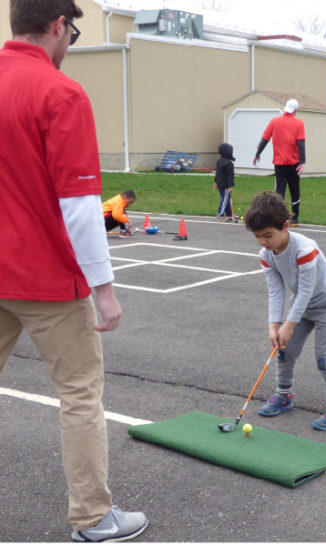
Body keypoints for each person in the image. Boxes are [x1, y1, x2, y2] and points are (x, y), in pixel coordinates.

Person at [0, 0, 148, 541]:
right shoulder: (60, 92)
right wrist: (104, 291)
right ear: (59, 25)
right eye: (73, 33)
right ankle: (92, 517)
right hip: (47, 281)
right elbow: (82, 205)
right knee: (81, 394)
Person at [244, 191, 326, 430]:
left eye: (268, 235)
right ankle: (284, 395)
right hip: (302, 305)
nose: (263, 242)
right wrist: (274, 325)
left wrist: (288, 325)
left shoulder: (304, 249)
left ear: (286, 226)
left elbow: (306, 292)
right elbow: (276, 291)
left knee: (325, 357)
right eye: (258, 237)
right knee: (283, 350)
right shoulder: (266, 255)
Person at [253, 98, 305, 225]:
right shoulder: (299, 123)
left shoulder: (274, 121)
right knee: (295, 190)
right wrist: (303, 161)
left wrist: (257, 154)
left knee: (280, 192)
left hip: (279, 163)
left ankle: (280, 218)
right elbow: (301, 143)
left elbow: (264, 139)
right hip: (294, 163)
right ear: (295, 111)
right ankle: (295, 218)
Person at [214, 142, 238, 222]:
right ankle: (219, 214)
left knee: (226, 199)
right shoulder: (229, 163)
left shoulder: (219, 161)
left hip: (221, 184)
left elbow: (217, 173)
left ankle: (229, 214)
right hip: (225, 186)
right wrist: (230, 186)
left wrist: (216, 182)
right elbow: (230, 176)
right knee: (224, 200)